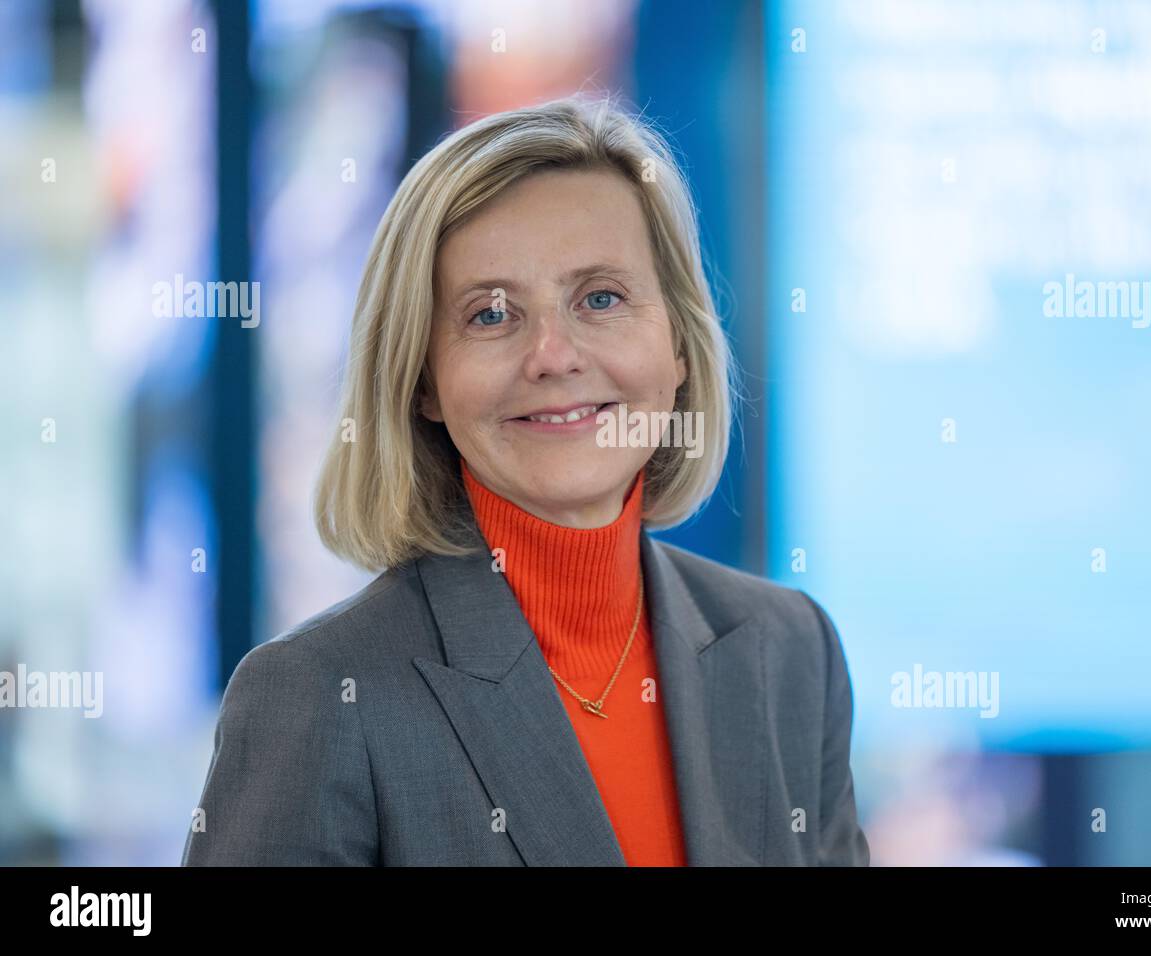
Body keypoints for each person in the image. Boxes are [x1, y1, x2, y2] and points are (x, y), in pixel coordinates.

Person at [182, 92, 869, 866]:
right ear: (424, 382)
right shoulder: (318, 693)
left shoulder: (790, 650)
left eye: (601, 298)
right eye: (490, 315)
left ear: (678, 345)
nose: (553, 355)